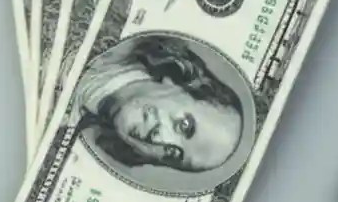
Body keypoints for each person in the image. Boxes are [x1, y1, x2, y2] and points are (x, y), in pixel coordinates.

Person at [71, 35, 244, 173]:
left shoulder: (71, 139)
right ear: (182, 84)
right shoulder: (116, 36)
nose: (159, 139)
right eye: (184, 125)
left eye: (173, 154)